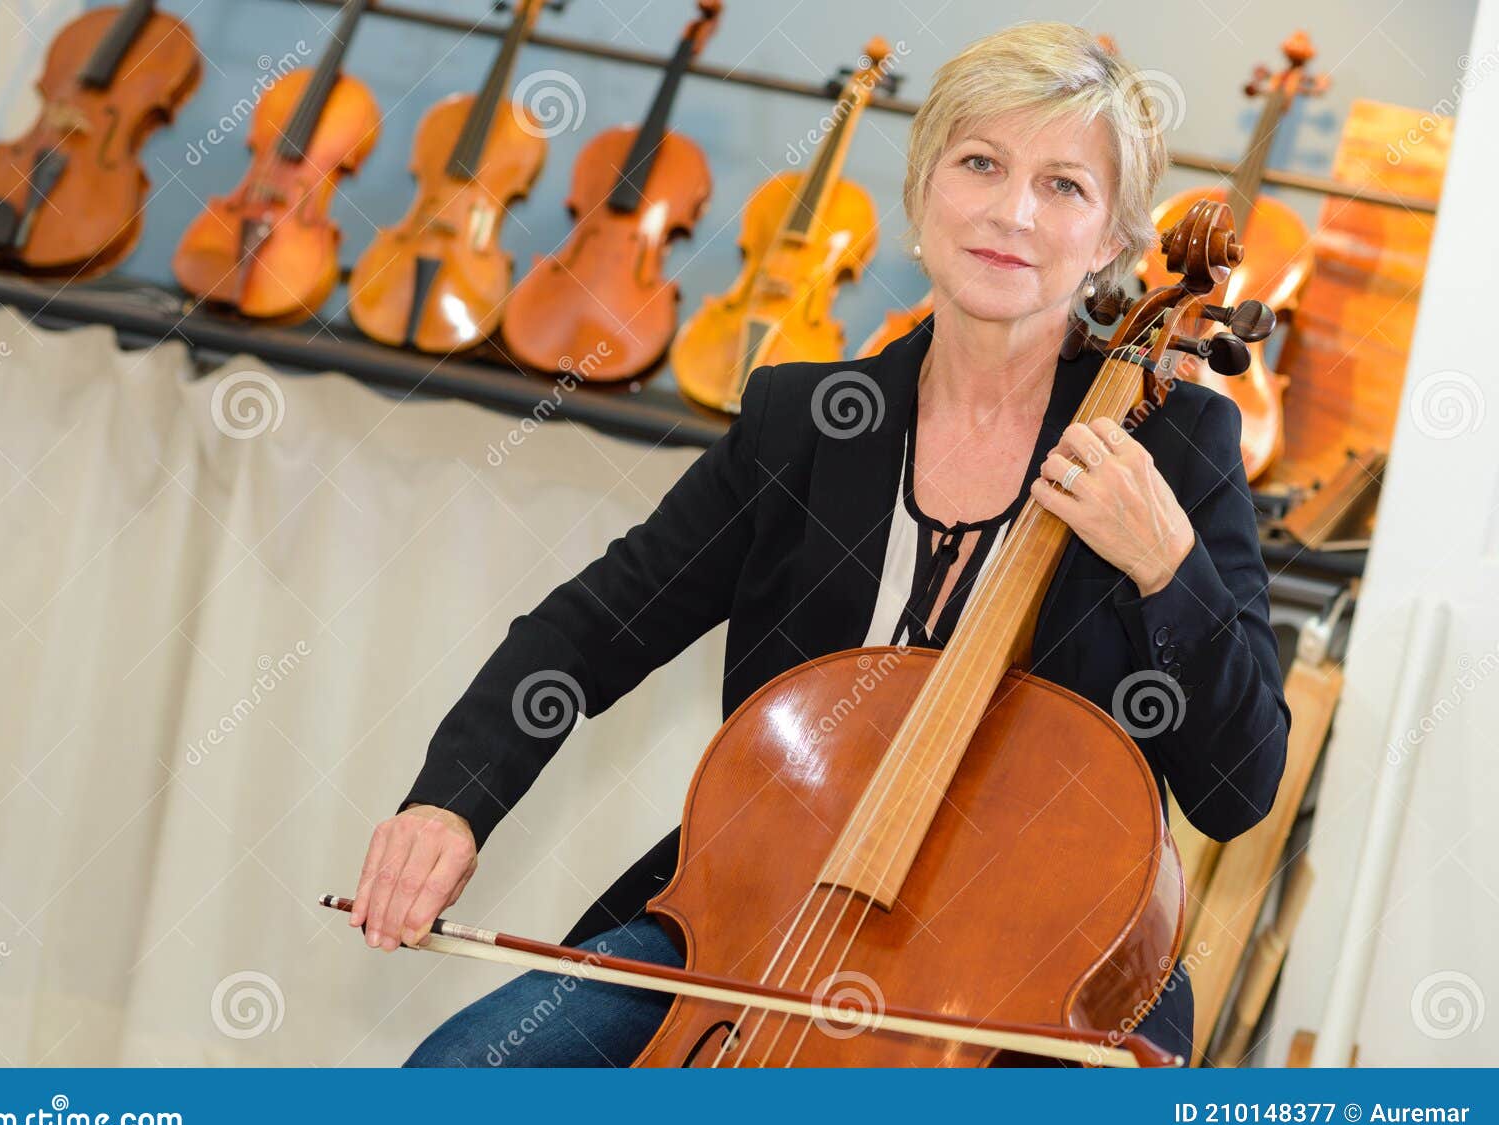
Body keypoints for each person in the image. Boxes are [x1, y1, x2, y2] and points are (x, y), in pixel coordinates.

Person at [350, 21, 1291, 1067]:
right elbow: (588, 629)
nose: (1010, 213)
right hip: (759, 924)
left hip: (1038, 971)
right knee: (455, 1081)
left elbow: (1237, 787)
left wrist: (1168, 565)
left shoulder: (1174, 446)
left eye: (1063, 185)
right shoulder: (806, 419)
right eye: (979, 163)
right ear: (924, 192)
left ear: (1113, 240)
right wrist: (449, 802)